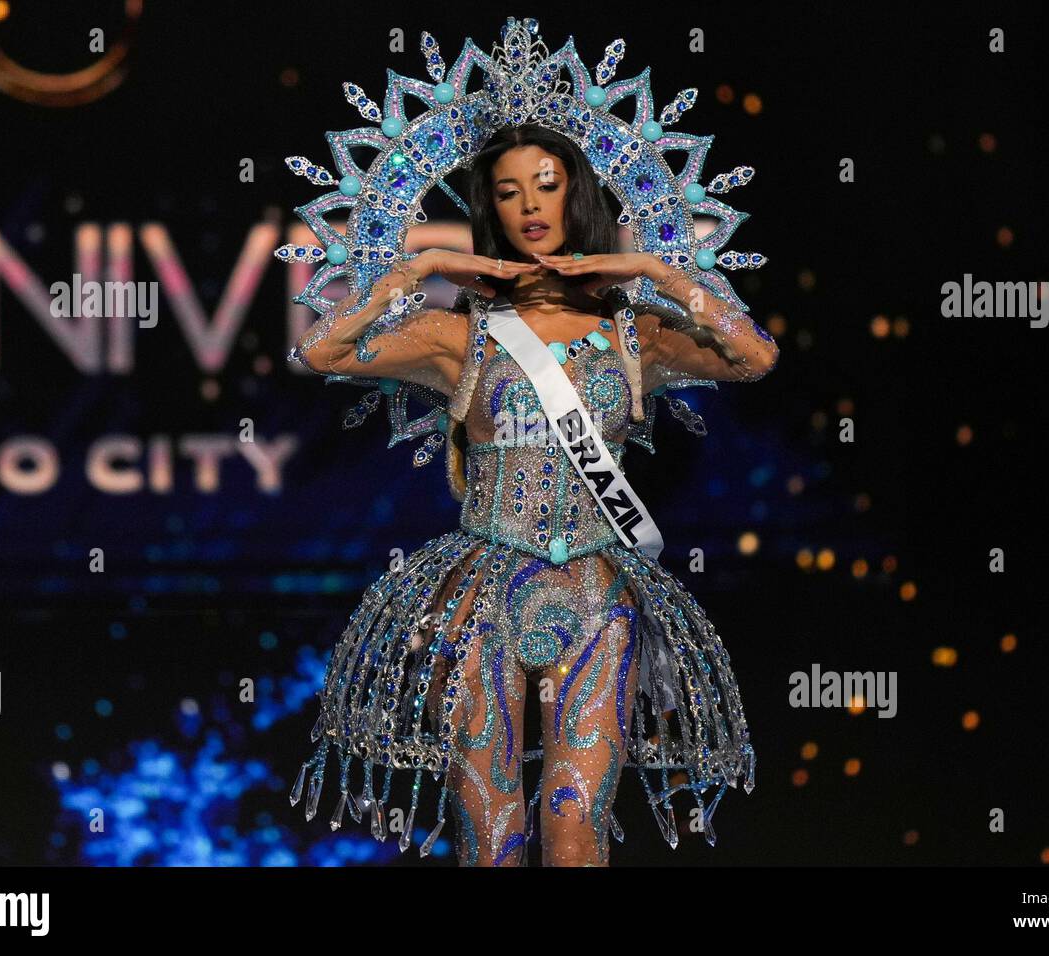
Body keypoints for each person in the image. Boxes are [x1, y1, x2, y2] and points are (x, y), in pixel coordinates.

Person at [288, 121, 779, 866]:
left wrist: (656, 269)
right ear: (491, 210)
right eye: (507, 192)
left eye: (547, 185)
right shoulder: (458, 337)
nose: (530, 206)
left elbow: (755, 356)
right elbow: (319, 351)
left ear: (578, 195)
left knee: (576, 826)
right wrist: (424, 267)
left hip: (596, 591)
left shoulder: (634, 335)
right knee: (490, 831)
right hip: (483, 595)